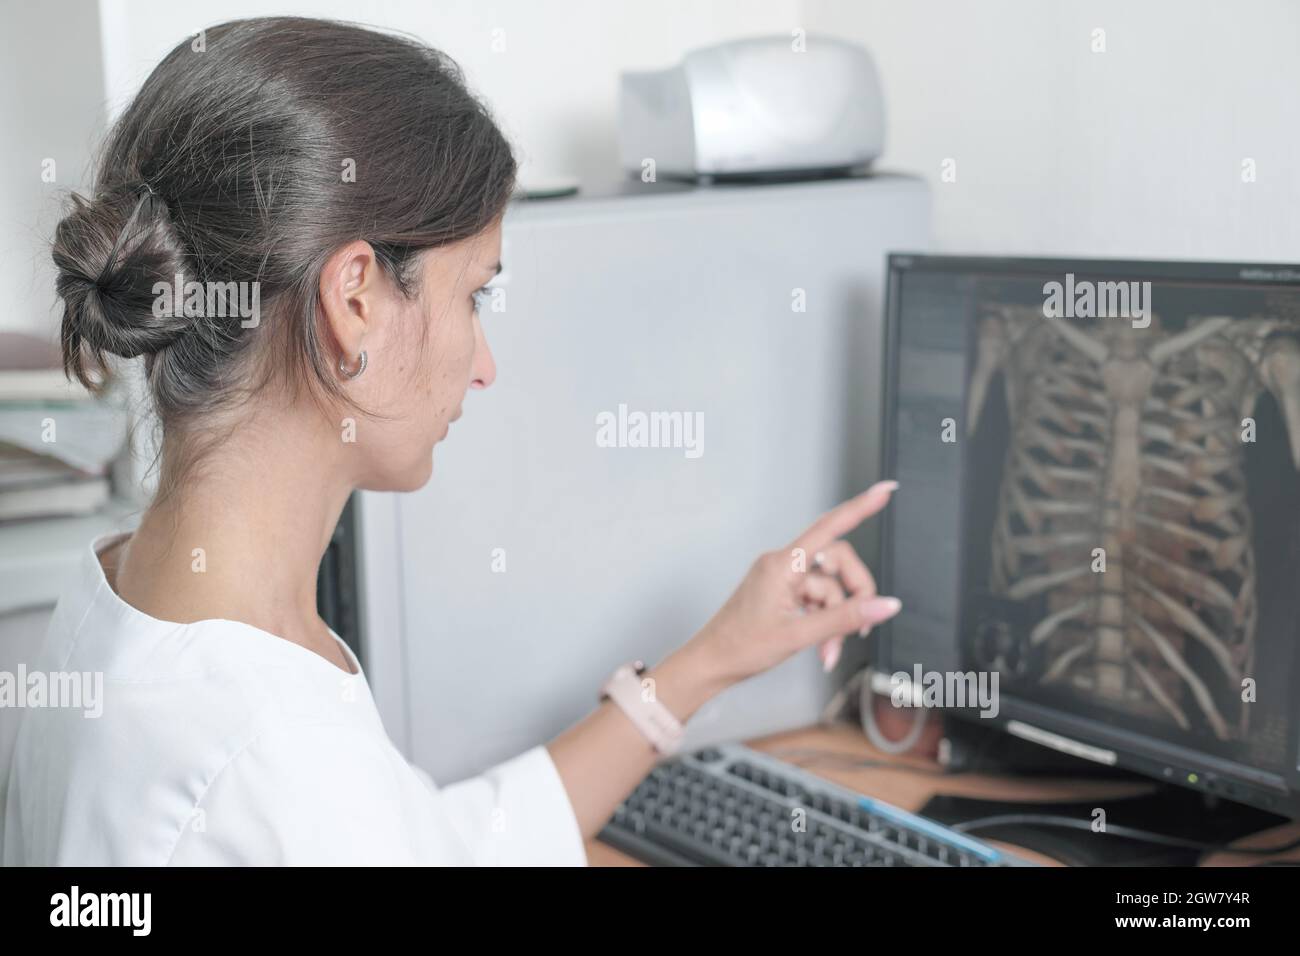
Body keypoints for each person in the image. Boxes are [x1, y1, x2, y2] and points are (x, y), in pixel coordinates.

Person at [2, 16, 902, 865]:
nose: (485, 366)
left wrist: (712, 661)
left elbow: (431, 845)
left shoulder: (122, 595)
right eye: (474, 294)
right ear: (354, 301)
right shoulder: (276, 756)